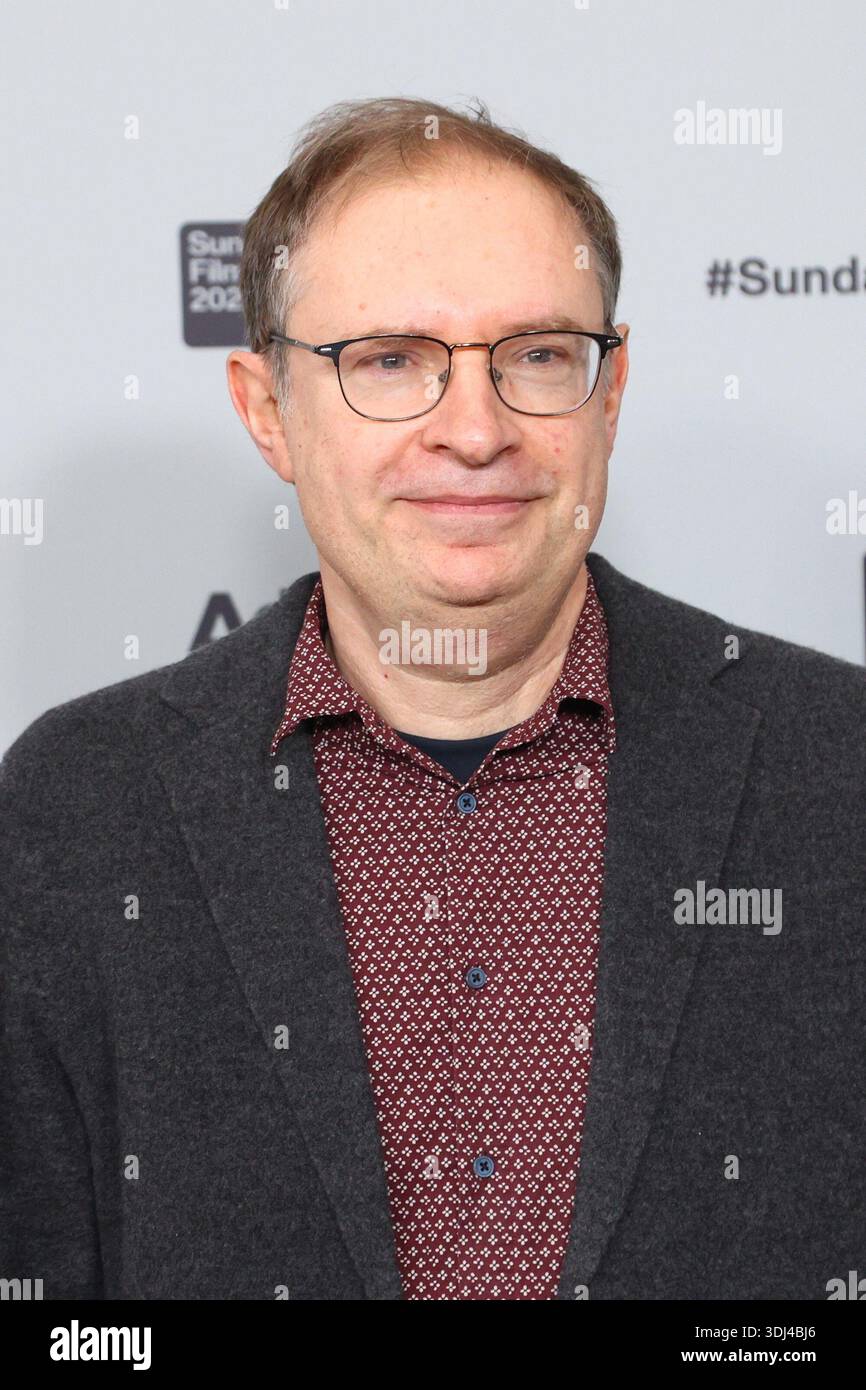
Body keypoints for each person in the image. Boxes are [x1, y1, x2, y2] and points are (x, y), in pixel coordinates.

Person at [1, 96, 864, 1302]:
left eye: (538, 356)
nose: (474, 430)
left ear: (608, 397)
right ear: (266, 412)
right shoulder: (77, 804)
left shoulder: (837, 768)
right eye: (390, 361)